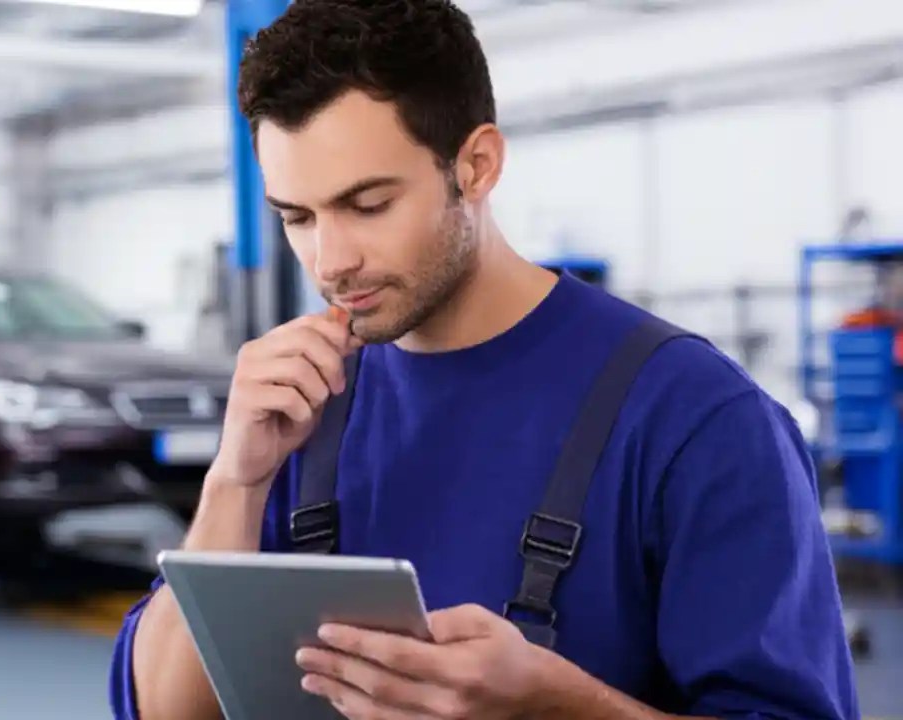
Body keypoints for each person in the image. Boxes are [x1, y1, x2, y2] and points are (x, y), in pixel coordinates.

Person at [110, 1, 858, 718]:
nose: (330, 260)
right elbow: (165, 709)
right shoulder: (302, 408)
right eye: (297, 218)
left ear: (476, 165)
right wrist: (236, 481)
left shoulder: (696, 420)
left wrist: (556, 705)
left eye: (368, 205)